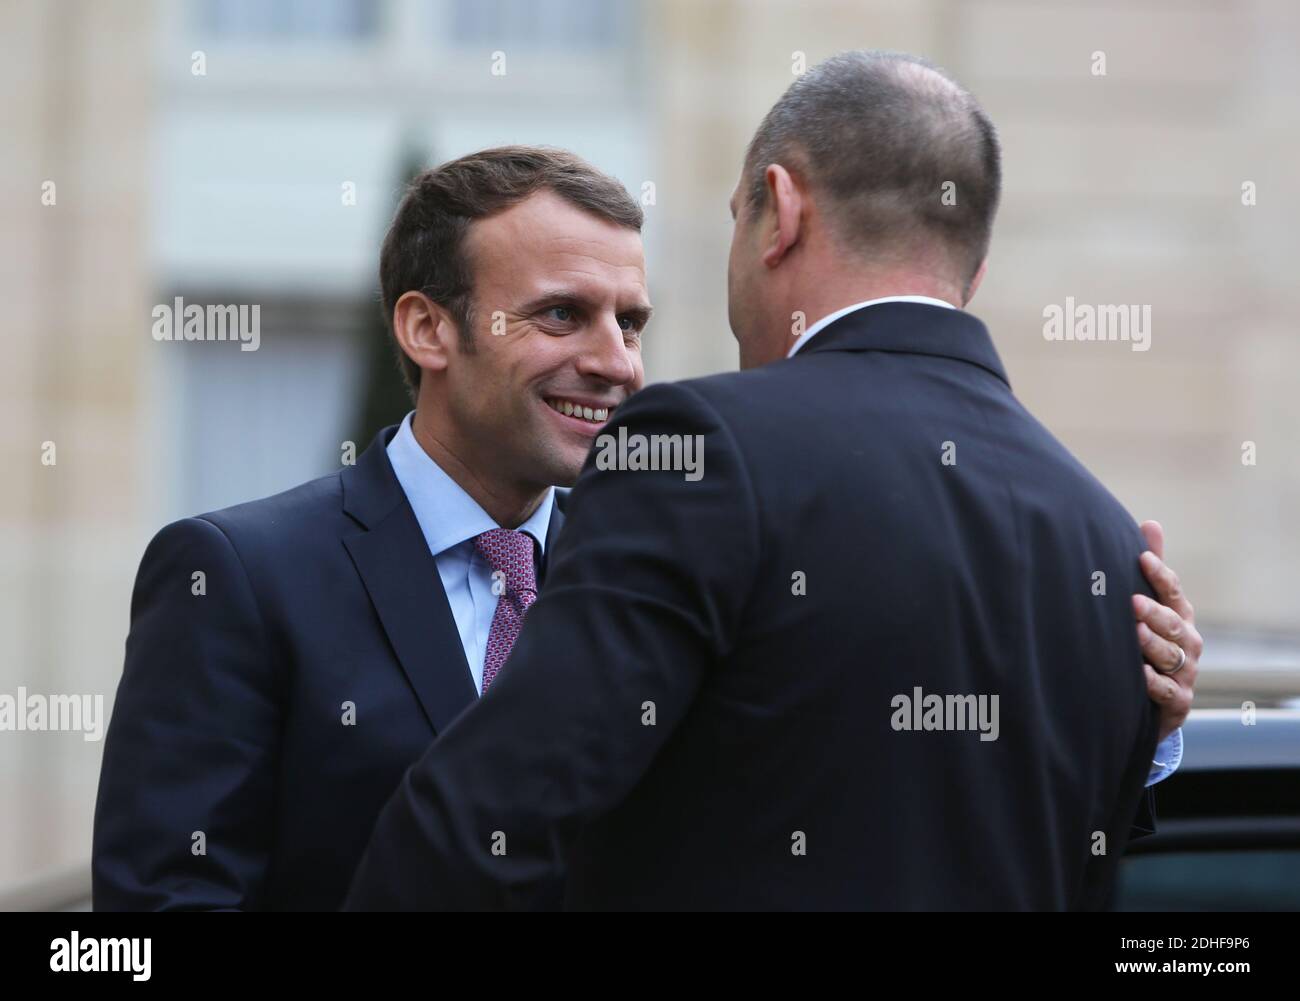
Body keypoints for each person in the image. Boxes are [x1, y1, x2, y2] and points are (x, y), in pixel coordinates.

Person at [345, 53, 1202, 911]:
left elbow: (484, 825)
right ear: (971, 271)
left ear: (781, 214)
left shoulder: (702, 448)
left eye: (735, 218)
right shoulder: (1110, 541)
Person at [92, 148, 651, 910]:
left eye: (630, 323)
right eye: (562, 314)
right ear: (428, 328)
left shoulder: (649, 579)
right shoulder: (237, 576)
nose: (617, 363)